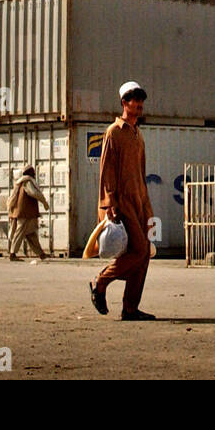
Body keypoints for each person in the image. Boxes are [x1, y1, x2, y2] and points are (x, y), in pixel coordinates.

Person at [88, 81, 156, 321]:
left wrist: (147, 207)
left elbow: (141, 172)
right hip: (121, 202)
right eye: (132, 99)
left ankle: (130, 308)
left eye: (140, 100)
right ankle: (101, 281)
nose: (137, 104)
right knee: (138, 249)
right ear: (123, 103)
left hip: (139, 201)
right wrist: (109, 204)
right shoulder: (113, 132)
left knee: (145, 253)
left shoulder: (138, 135)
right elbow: (106, 169)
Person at [7, 167, 51, 261]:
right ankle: (12, 253)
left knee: (31, 234)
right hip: (24, 212)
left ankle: (41, 254)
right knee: (19, 232)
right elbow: (33, 193)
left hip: (24, 212)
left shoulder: (20, 182)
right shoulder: (27, 182)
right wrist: (44, 201)